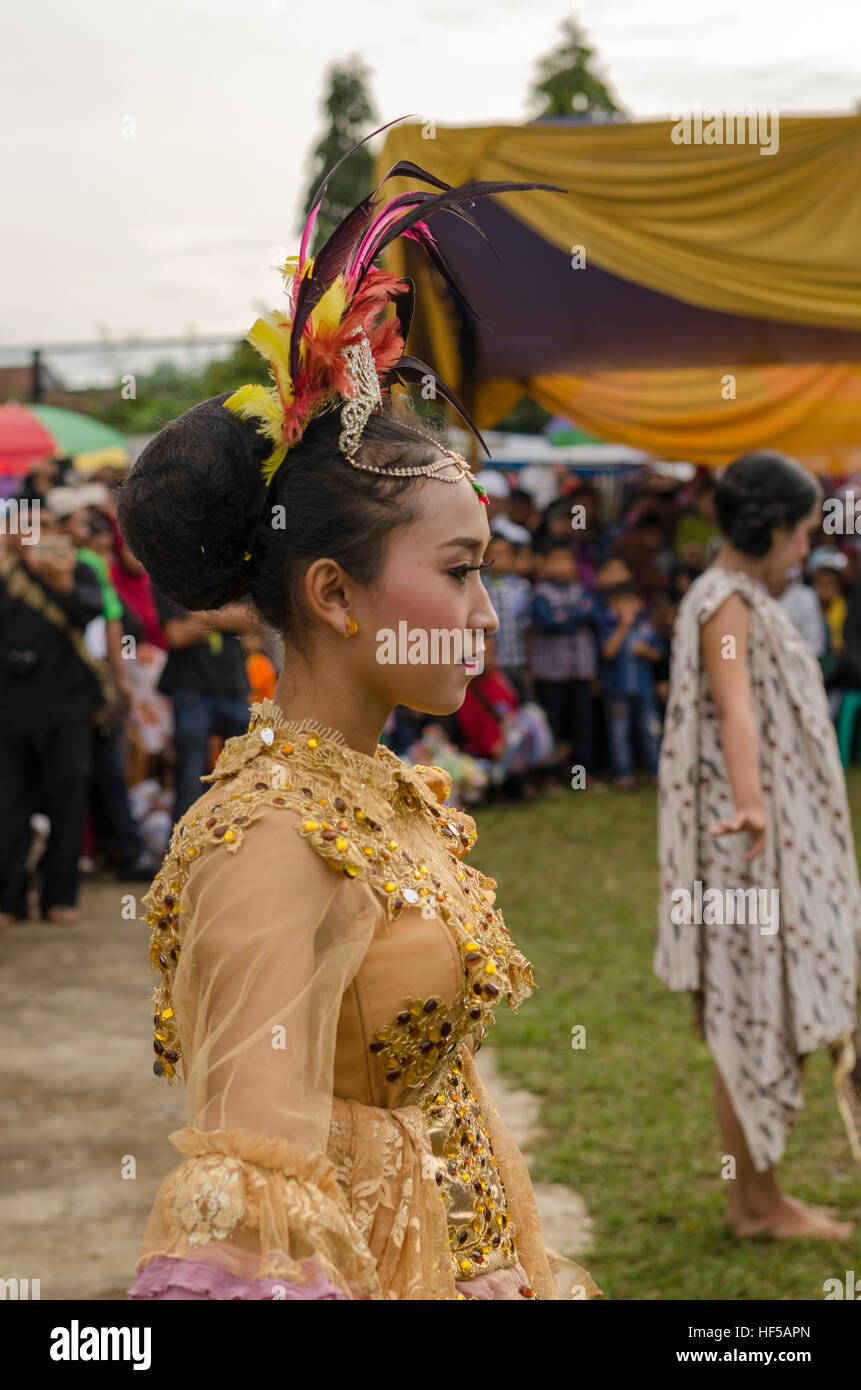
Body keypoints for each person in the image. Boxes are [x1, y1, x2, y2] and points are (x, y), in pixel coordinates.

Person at [120, 132, 597, 1301]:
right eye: (461, 570)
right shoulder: (272, 838)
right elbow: (246, 1238)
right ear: (334, 593)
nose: (486, 614)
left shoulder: (372, 789)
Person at [656, 449, 861, 1238]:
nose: (806, 548)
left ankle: (756, 1198)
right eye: (803, 531)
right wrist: (750, 802)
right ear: (770, 526)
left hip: (760, 846)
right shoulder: (725, 603)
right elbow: (735, 705)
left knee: (757, 1013)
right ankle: (758, 1204)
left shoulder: (731, 596)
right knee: (752, 1015)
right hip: (745, 854)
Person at [0, 506, 107, 925]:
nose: (37, 536)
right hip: (9, 710)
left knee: (68, 804)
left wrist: (61, 581)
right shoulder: (7, 575)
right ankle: (8, 900)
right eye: (28, 528)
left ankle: (60, 897)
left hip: (67, 707)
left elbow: (92, 612)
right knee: (8, 806)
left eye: (45, 527)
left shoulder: (79, 570)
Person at [530, 542, 600, 778]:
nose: (561, 566)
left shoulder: (584, 590)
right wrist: (575, 616)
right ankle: (549, 775)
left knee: (582, 723)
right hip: (551, 672)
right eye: (556, 560)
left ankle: (583, 773)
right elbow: (547, 621)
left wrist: (563, 616)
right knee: (553, 723)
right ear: (545, 564)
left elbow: (592, 613)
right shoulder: (539, 593)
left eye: (566, 560)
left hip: (581, 669)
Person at [597, 581, 664, 788]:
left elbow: (659, 654)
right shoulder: (608, 627)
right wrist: (623, 627)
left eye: (631, 603)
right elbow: (607, 652)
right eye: (621, 604)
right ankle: (624, 774)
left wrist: (646, 651)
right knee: (619, 733)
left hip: (644, 689)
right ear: (612, 606)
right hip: (617, 690)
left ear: (640, 604)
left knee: (651, 730)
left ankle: (657, 771)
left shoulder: (646, 627)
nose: (627, 608)